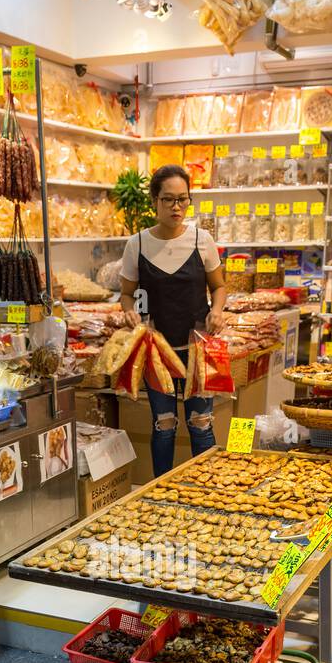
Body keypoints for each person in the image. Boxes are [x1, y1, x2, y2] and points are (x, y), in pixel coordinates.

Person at [119, 164, 226, 477]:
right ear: (155, 200)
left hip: (199, 349)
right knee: (164, 425)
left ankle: (206, 491)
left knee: (201, 424)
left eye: (183, 199)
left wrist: (217, 310)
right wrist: (128, 311)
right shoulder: (137, 244)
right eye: (168, 199)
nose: (176, 207)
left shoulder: (202, 239)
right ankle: (160, 490)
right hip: (157, 351)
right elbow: (126, 293)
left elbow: (219, 287)